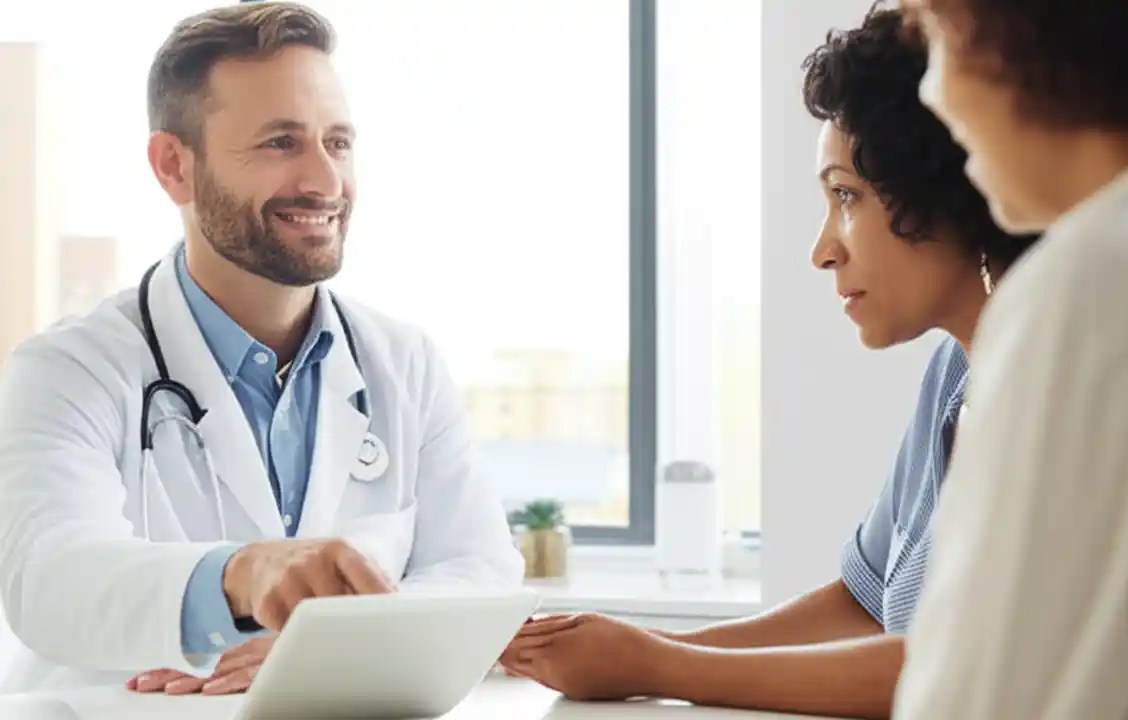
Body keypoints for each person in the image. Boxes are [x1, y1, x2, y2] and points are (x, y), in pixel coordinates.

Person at [500, 10, 1035, 718]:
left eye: (845, 196)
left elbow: (959, 661)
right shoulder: (952, 374)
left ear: (939, 188)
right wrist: (644, 651)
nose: (823, 249)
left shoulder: (1055, 384)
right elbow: (863, 605)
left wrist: (662, 665)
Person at [0, 2, 522, 694]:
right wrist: (239, 577)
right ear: (174, 167)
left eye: (337, 143)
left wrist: (329, 645)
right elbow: (49, 580)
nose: (325, 181)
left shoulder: (405, 364)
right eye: (281, 143)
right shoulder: (69, 370)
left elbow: (481, 573)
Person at [893, 1, 1128, 717]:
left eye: (942, 37)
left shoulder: (1114, 276)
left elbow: (993, 701)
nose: (932, 91)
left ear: (1028, 30)